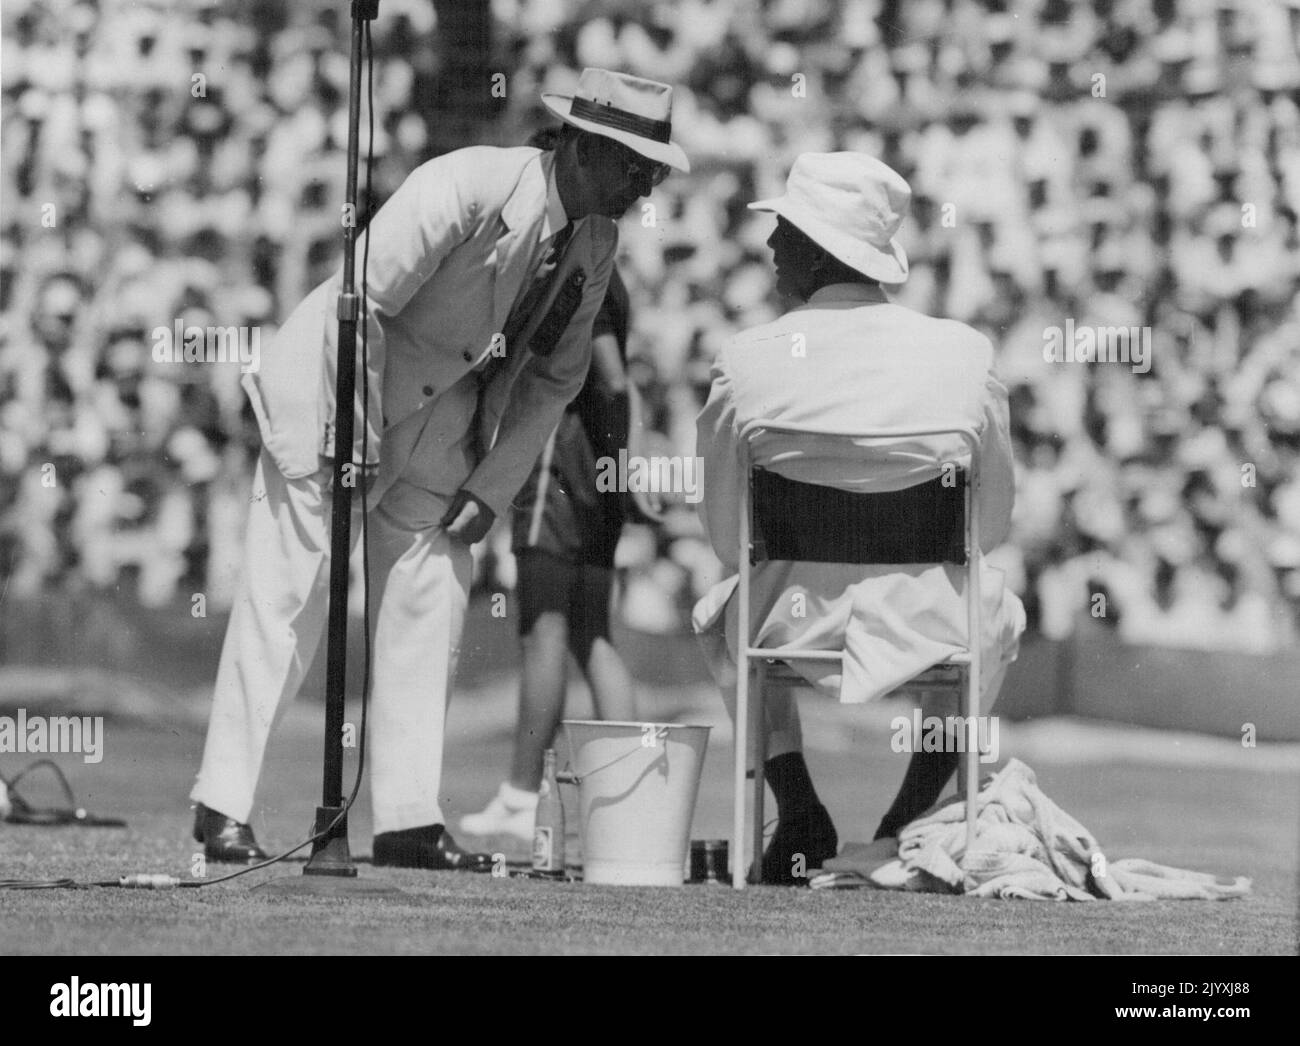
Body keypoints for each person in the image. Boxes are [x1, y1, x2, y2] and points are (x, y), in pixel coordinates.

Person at [189, 68, 689, 870]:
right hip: (332, 393)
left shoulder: (596, 242)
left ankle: (408, 820)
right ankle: (221, 805)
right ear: (586, 147)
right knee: (290, 597)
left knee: (431, 603)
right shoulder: (464, 185)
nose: (647, 184)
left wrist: (492, 488)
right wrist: (351, 437)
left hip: (441, 429)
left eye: (655, 170)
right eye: (638, 166)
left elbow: (558, 379)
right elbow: (364, 302)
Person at [692, 153, 1026, 884]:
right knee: (997, 607)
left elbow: (724, 537)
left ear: (817, 250)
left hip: (789, 619)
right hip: (929, 620)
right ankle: (909, 815)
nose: (773, 247)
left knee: (716, 610)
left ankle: (799, 805)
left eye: (784, 231)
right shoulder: (964, 355)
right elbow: (990, 528)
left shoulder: (748, 359)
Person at [459, 233, 664, 842]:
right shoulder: (609, 278)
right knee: (589, 631)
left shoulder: (585, 275)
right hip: (597, 471)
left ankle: (522, 794)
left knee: (542, 628)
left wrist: (625, 464)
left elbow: (612, 380)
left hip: (561, 461)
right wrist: (626, 469)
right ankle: (637, 797)